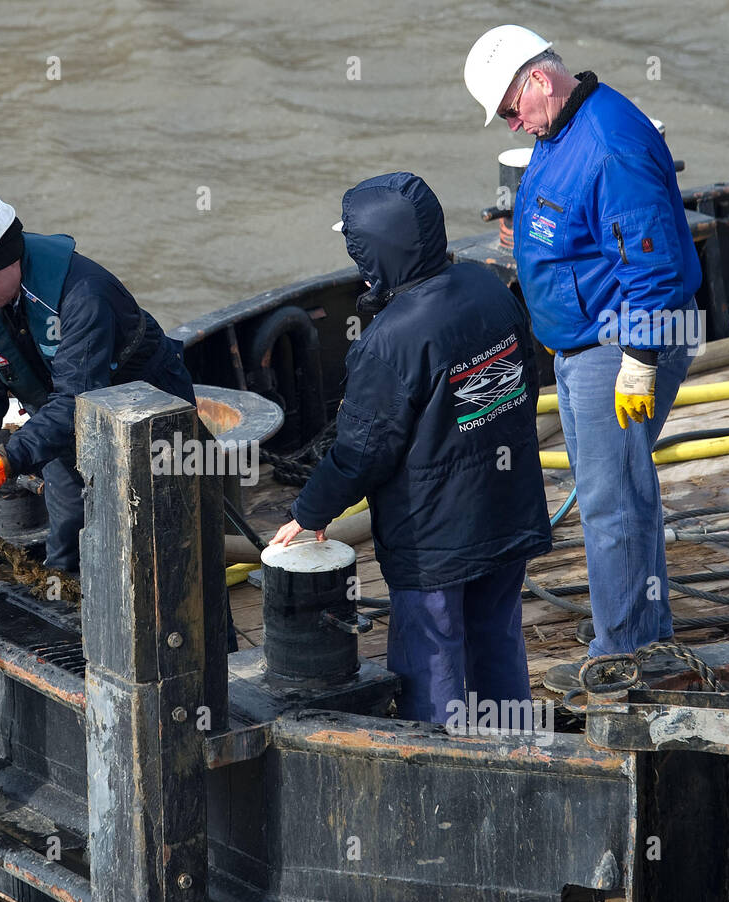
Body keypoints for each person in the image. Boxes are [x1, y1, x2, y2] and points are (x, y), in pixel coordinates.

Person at [463, 27, 703, 690]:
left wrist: (640, 360)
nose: (511, 122)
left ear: (538, 79)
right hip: (584, 343)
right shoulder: (560, 130)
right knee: (624, 488)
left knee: (608, 500)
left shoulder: (610, 144)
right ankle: (647, 637)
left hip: (619, 341)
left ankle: (621, 654)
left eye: (511, 108)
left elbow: (652, 263)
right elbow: (573, 214)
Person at [270, 172, 551, 724]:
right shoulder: (489, 287)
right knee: (497, 631)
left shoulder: (390, 341)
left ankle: (437, 771)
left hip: (435, 538)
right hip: (509, 507)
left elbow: (362, 451)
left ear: (374, 253)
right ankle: (515, 747)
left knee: (433, 652)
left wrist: (310, 512)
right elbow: (528, 379)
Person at [0, 186, 197, 573]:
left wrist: (6, 460)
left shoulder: (85, 294)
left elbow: (77, 398)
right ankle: (72, 608)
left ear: (8, 259)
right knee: (71, 534)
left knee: (164, 535)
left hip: (146, 414)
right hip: (57, 419)